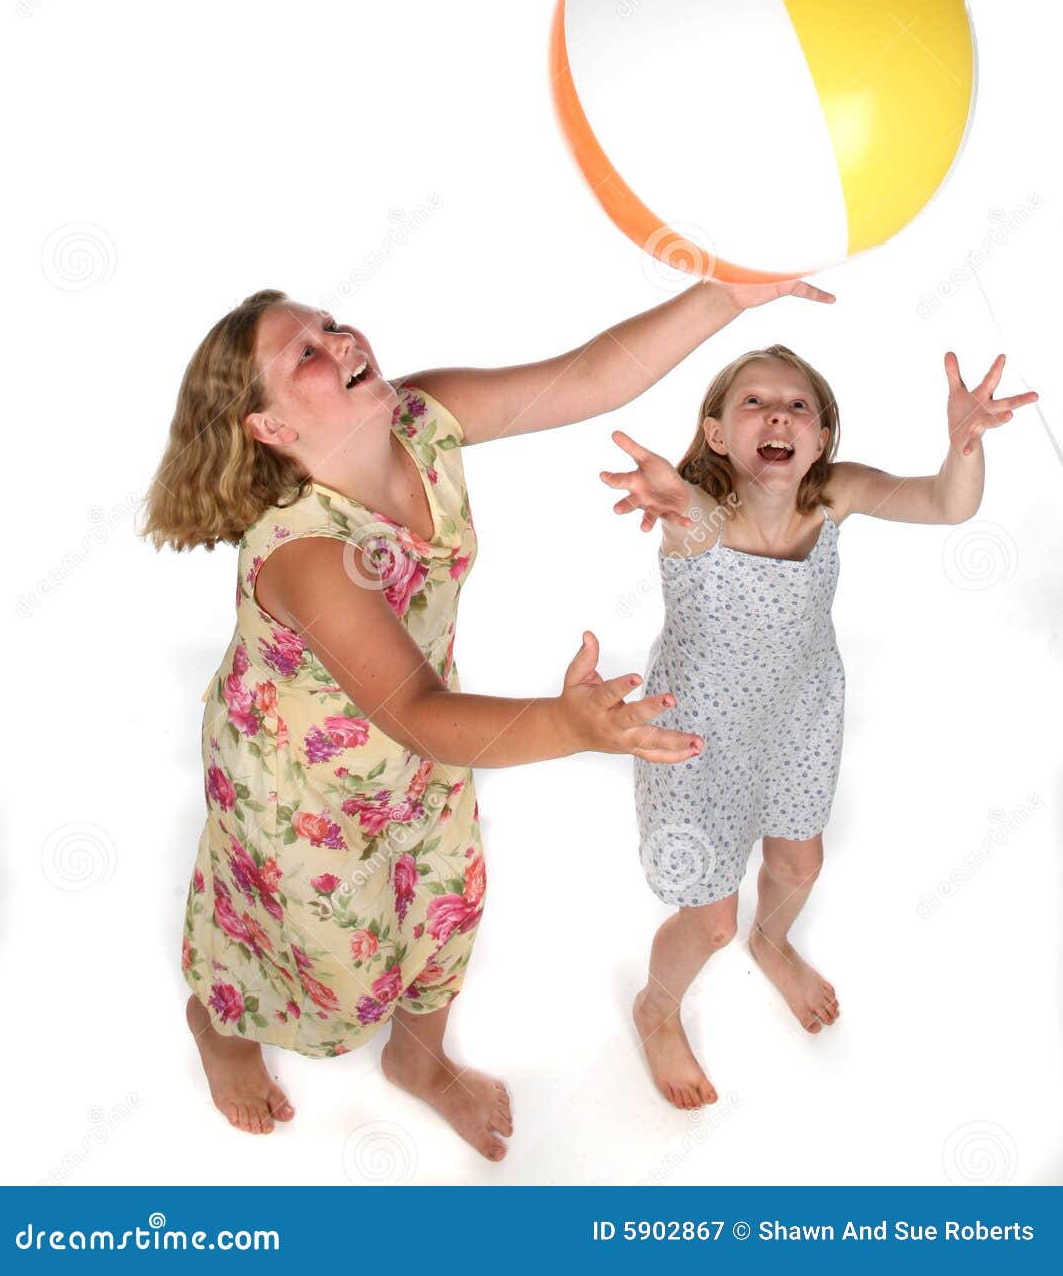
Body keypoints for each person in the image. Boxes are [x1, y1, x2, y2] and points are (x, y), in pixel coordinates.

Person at [141, 274, 832, 1157]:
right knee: (324, 963)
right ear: (269, 428)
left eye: (332, 324)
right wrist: (568, 726)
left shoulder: (419, 418)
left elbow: (589, 376)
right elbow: (415, 710)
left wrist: (724, 294)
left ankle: (420, 1060)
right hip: (303, 784)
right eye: (305, 352)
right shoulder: (306, 554)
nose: (342, 341)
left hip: (424, 741)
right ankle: (221, 1027)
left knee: (445, 903)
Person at [599, 345, 1037, 1110]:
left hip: (796, 713)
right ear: (715, 434)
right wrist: (669, 496)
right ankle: (656, 1008)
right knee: (708, 923)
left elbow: (946, 504)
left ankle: (771, 940)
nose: (777, 415)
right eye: (753, 403)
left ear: (821, 437)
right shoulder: (697, 515)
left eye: (797, 406)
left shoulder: (833, 493)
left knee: (799, 866)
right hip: (697, 739)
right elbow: (688, 514)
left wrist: (962, 446)